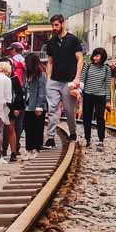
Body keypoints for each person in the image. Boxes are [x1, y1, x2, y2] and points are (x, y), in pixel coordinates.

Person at [43, 14, 84, 147]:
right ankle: (50, 137)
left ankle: (72, 132)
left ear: (62, 24)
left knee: (69, 109)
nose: (54, 28)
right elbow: (50, 62)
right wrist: (48, 78)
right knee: (52, 109)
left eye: (56, 25)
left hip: (69, 81)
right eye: (52, 25)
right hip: (54, 81)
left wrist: (77, 77)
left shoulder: (72, 40)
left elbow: (80, 59)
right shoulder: (51, 42)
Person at [80, 48, 112, 148]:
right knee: (87, 118)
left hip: (100, 96)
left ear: (102, 57)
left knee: (100, 118)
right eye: (94, 55)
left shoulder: (107, 69)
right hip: (87, 95)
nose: (95, 58)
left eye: (97, 56)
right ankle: (87, 139)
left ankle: (101, 139)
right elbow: (82, 81)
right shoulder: (88, 66)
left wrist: (108, 100)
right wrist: (79, 93)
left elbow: (107, 85)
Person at [21, 51, 48, 152]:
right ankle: (29, 149)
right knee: (28, 128)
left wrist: (39, 106)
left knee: (37, 128)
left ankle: (36, 149)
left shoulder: (41, 76)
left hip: (37, 106)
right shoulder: (27, 75)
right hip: (27, 106)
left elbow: (42, 92)